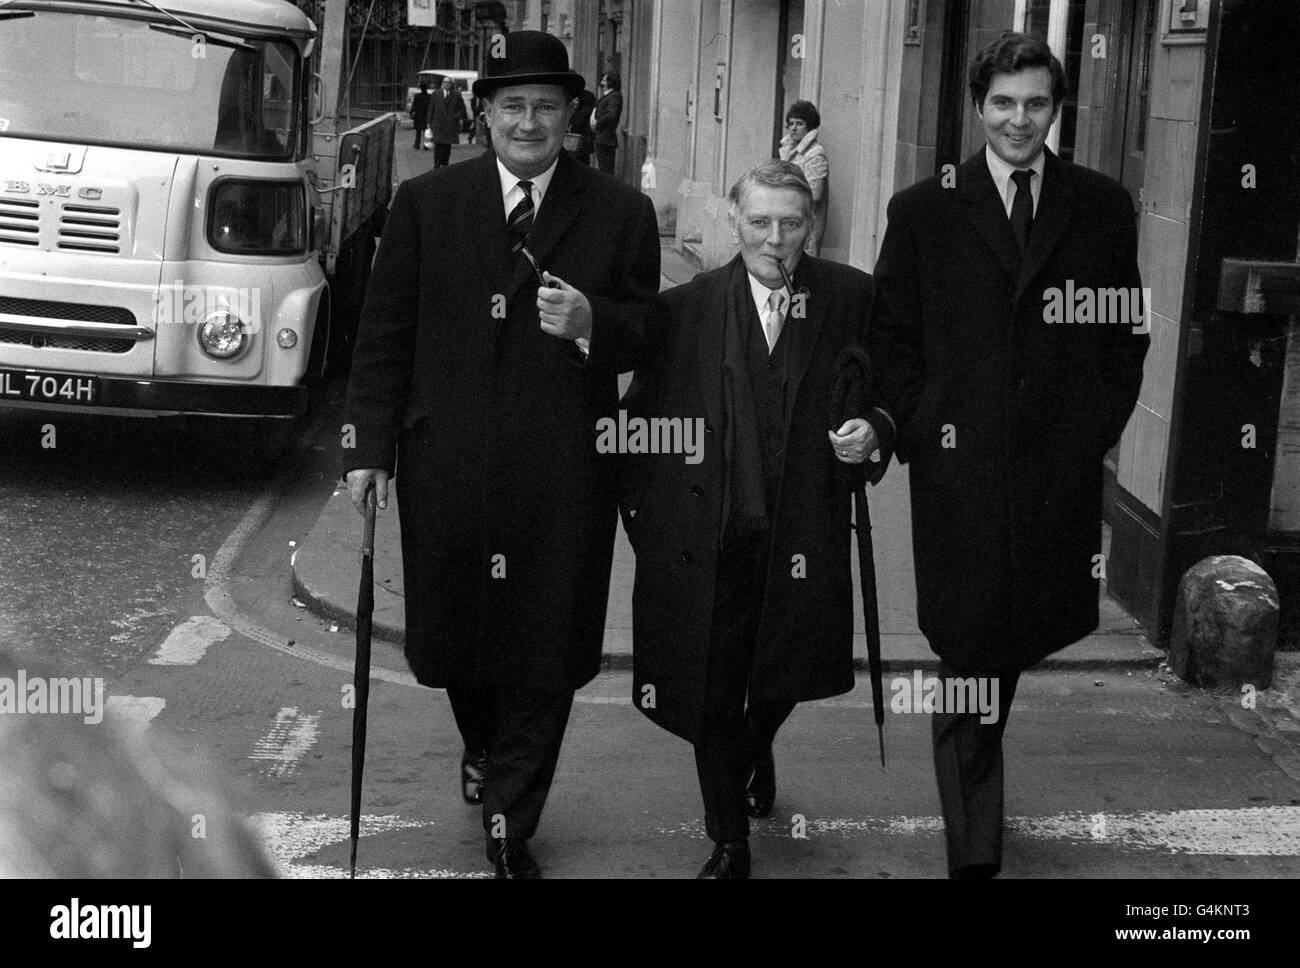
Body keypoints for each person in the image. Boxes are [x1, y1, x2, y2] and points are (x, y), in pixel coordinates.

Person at [342, 31, 666, 879]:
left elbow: (652, 333)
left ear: (571, 117)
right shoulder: (427, 205)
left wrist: (596, 324)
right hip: (448, 468)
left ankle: (511, 821)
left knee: (548, 642)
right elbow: (383, 335)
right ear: (484, 114)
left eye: (547, 107)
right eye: (514, 105)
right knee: (456, 640)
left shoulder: (620, 213)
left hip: (564, 476)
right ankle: (484, 746)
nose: (530, 122)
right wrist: (368, 448)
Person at [869, 31, 1150, 878]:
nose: (1018, 120)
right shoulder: (924, 210)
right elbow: (894, 342)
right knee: (966, 651)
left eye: (1035, 104)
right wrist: (910, 429)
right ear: (977, 106)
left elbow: (1123, 336)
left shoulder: (1100, 206)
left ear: (1055, 110)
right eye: (1003, 103)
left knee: (1011, 640)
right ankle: (974, 850)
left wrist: (1091, 432)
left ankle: (980, 768)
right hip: (958, 475)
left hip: (1052, 476)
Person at [619, 160, 895, 878]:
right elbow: (637, 424)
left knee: (783, 676)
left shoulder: (851, 298)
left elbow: (893, 385)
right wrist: (650, 524)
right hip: (709, 540)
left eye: (791, 223)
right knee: (710, 685)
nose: (775, 238)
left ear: (813, 226)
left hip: (802, 536)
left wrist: (874, 427)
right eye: (760, 221)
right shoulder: (686, 310)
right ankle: (729, 838)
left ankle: (755, 743)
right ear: (733, 222)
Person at [777, 100, 828, 256]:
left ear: (809, 126)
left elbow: (815, 193)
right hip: (788, 218)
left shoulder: (815, 154)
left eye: (799, 123)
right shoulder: (788, 150)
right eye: (791, 123)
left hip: (806, 221)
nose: (793, 128)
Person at [429, 75, 468, 167]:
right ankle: (437, 164)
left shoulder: (457, 95)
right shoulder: (436, 94)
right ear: (442, 84)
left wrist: (455, 116)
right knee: (438, 145)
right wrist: (429, 122)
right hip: (438, 123)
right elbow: (431, 108)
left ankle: (445, 163)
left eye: (448, 82)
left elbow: (462, 109)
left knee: (447, 146)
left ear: (451, 84)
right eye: (444, 82)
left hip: (450, 124)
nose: (446, 84)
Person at [591, 72, 622, 175]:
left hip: (606, 138)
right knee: (603, 168)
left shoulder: (614, 96)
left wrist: (598, 124)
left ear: (610, 82)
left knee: (605, 170)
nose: (601, 83)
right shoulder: (609, 95)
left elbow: (611, 115)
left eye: (604, 80)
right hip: (602, 137)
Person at [568, 88, 597, 166]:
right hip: (582, 143)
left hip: (580, 143)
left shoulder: (580, 114)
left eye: (576, 100)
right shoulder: (584, 111)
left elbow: (577, 124)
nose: (575, 102)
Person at [410, 79, 431, 151]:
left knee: (418, 132)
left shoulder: (417, 96)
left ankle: (417, 144)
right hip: (426, 115)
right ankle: (426, 145)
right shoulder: (429, 96)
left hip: (418, 116)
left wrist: (411, 113)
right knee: (426, 132)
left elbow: (414, 106)